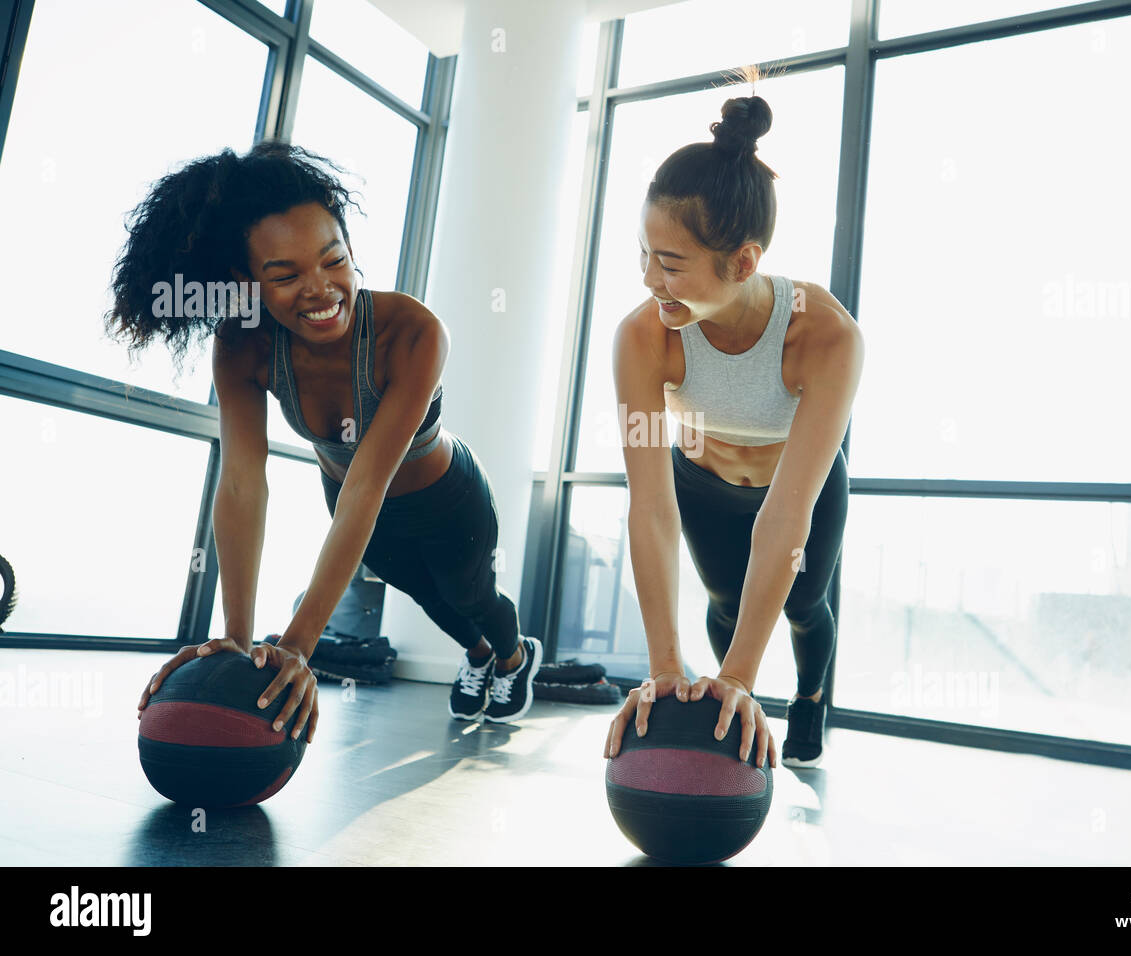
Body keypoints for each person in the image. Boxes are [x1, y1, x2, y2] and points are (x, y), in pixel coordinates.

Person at [111, 141, 541, 741]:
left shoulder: (411, 331)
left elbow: (370, 480)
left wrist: (297, 646)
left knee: (467, 590)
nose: (319, 288)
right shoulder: (242, 345)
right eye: (284, 275)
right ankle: (477, 656)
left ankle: (514, 656)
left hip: (445, 498)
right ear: (247, 281)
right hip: (350, 500)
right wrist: (238, 637)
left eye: (333, 260)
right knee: (425, 594)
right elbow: (241, 482)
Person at [603, 80, 864, 769]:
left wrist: (742, 675)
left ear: (744, 261)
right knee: (726, 601)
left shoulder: (826, 335)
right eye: (645, 255)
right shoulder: (641, 339)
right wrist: (664, 663)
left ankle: (809, 695)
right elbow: (652, 506)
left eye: (672, 264)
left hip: (797, 487)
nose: (650, 281)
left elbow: (785, 515)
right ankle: (734, 694)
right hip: (704, 479)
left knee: (805, 601)